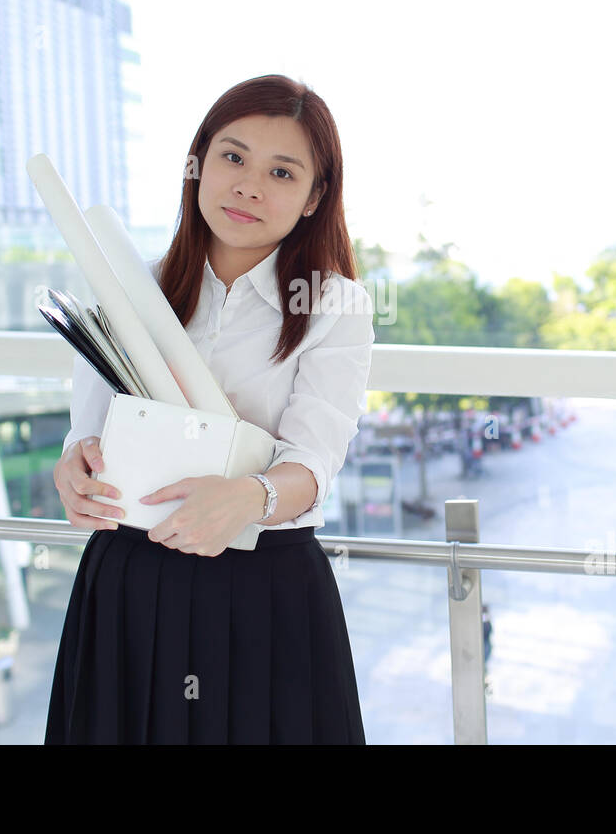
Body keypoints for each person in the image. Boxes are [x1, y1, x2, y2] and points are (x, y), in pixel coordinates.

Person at [45, 75, 373, 744]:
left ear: (315, 196)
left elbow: (313, 462)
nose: (249, 185)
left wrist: (247, 497)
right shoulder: (129, 285)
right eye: (233, 156)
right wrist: (75, 471)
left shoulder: (334, 304)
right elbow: (87, 432)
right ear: (197, 164)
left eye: (281, 171)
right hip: (131, 580)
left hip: (265, 589)